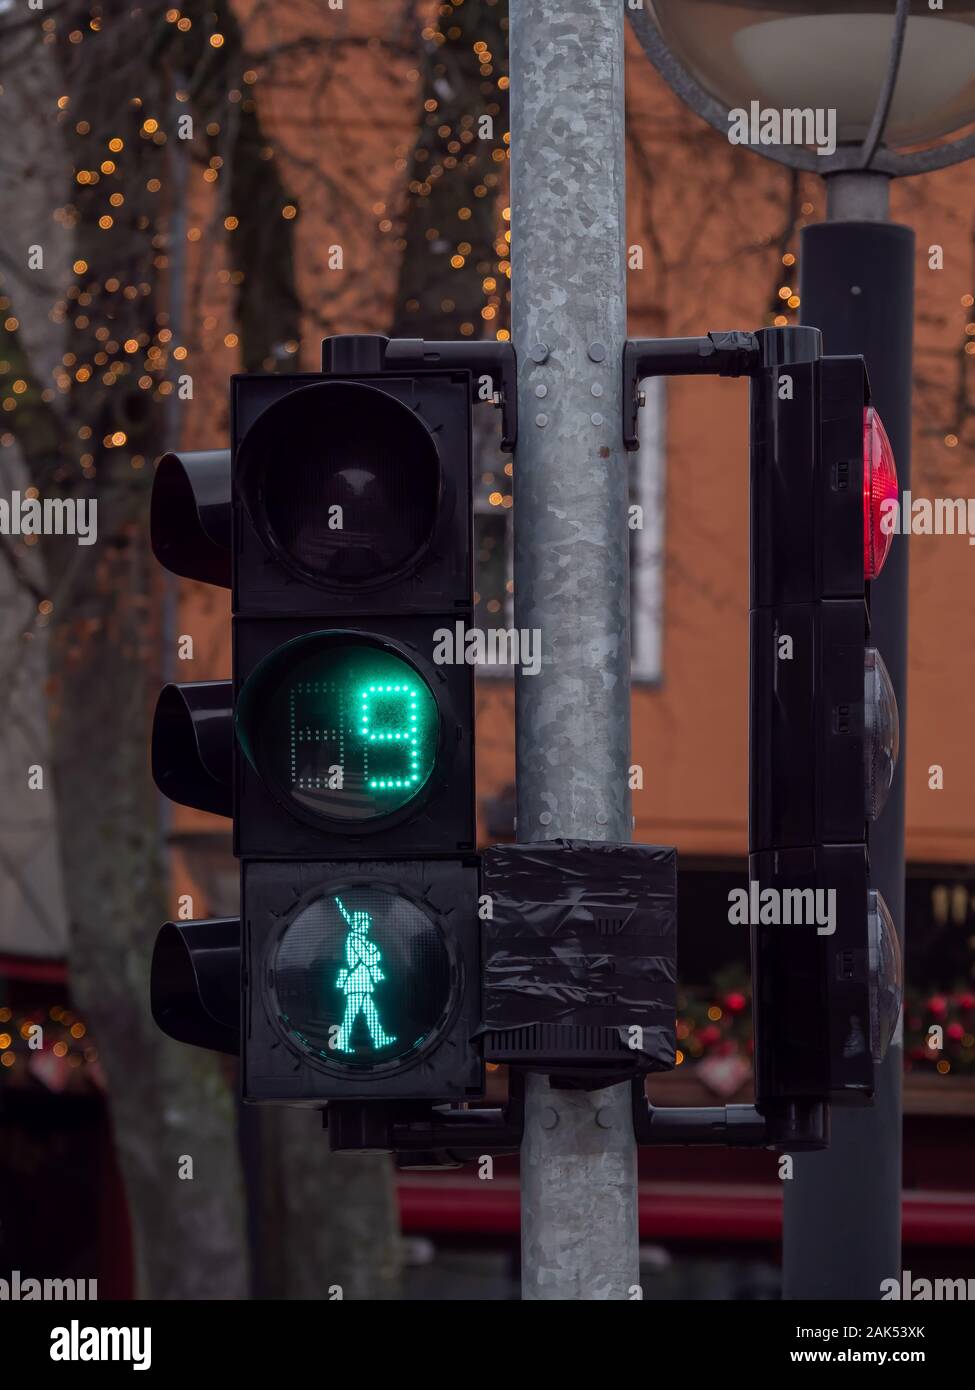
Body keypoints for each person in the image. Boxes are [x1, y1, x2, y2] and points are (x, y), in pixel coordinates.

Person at [333, 897, 396, 1052]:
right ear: (361, 923)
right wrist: (375, 953)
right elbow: (368, 959)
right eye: (366, 922)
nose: (368, 925)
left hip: (362, 982)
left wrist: (373, 951)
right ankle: (342, 1043)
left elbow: (370, 956)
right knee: (351, 1015)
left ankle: (379, 1039)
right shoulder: (354, 939)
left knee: (371, 1013)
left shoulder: (359, 939)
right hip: (356, 982)